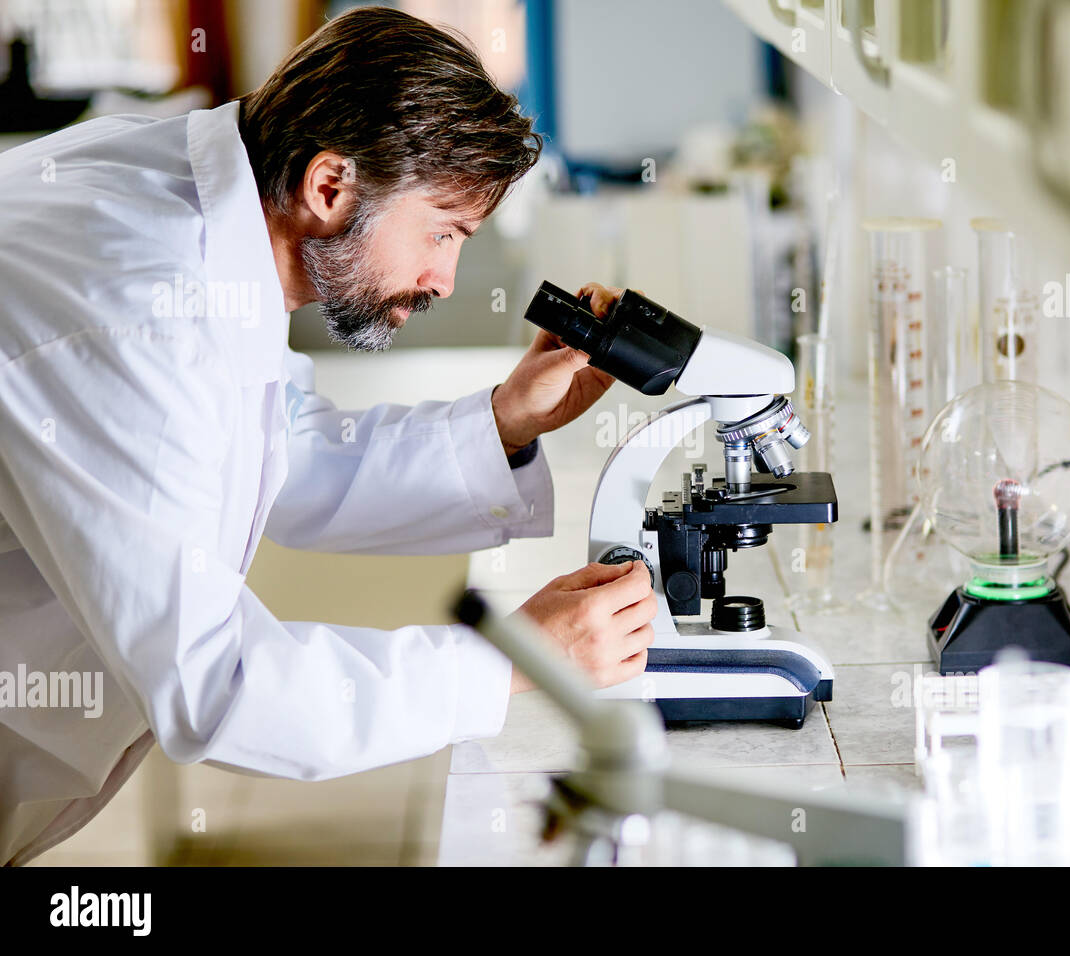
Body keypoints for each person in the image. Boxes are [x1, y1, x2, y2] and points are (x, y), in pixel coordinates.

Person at [0, 6, 655, 865]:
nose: (445, 279)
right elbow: (214, 685)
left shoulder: (205, 209)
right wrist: (510, 662)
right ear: (331, 186)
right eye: (442, 232)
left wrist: (506, 419)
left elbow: (276, 449)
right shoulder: (141, 306)